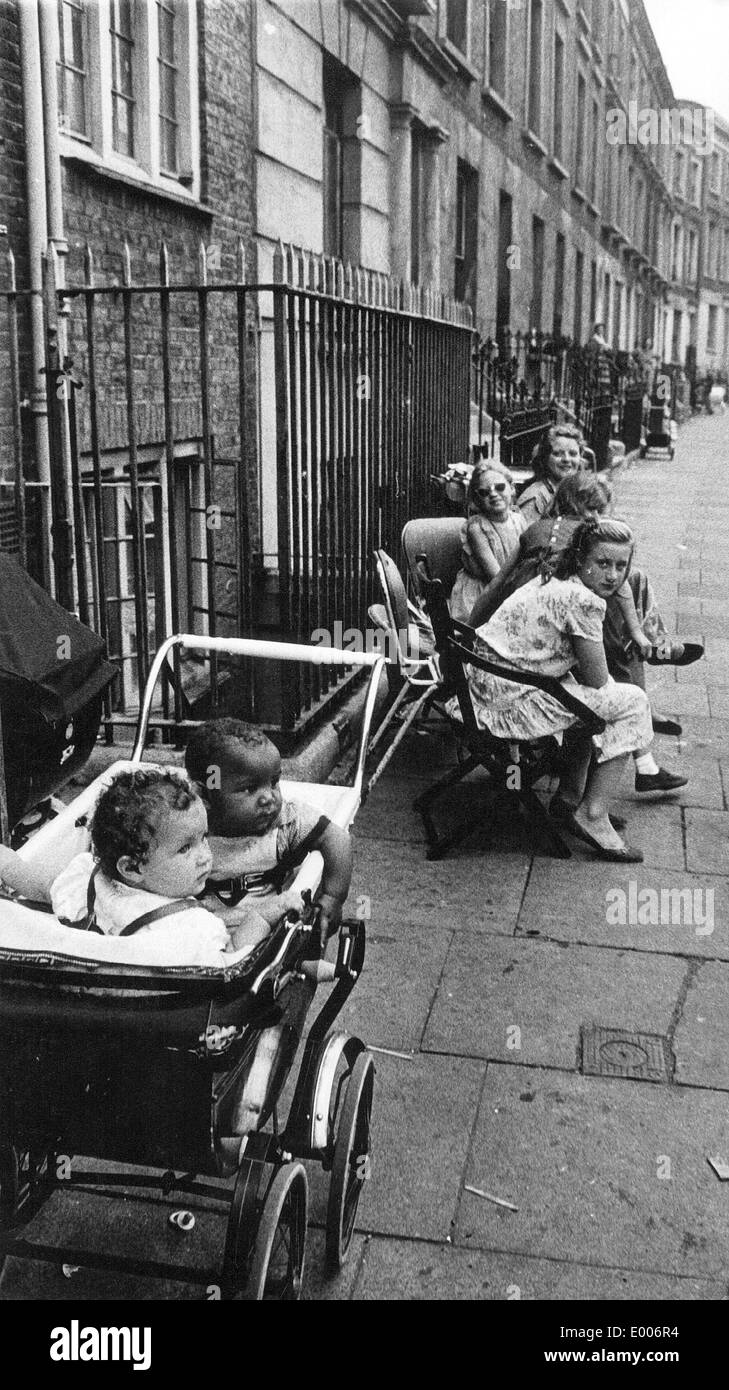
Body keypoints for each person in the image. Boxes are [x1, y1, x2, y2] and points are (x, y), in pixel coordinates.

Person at [471, 473, 700, 794]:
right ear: (588, 508)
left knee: (619, 634)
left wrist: (466, 634)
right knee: (617, 679)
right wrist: (636, 634)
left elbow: (497, 585)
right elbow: (618, 589)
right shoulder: (587, 541)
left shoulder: (536, 529)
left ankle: (573, 794)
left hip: (501, 657)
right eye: (600, 508)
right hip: (531, 668)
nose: (601, 515)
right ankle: (634, 765)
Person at [462, 519, 660, 862]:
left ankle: (570, 798)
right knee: (633, 703)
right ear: (582, 558)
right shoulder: (583, 600)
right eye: (603, 563)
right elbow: (598, 680)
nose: (613, 575)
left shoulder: (551, 573)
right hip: (508, 703)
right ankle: (592, 813)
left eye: (620, 565)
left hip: (483, 689)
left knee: (592, 700)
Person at [0, 768, 275, 964]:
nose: (204, 855)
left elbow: (34, 881)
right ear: (132, 868)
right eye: (185, 848)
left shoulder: (89, 883)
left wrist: (5, 861)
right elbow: (230, 966)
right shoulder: (193, 926)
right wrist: (260, 919)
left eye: (203, 838)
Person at [184, 718, 352, 940]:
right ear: (205, 794)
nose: (268, 798)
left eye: (274, 782)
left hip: (270, 933)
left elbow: (337, 838)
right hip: (202, 935)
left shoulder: (284, 824)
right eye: (249, 789)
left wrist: (332, 896)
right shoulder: (187, 827)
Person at [449, 461, 526, 623]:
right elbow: (495, 576)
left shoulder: (518, 520)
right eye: (484, 492)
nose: (493, 494)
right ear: (476, 499)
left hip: (510, 587)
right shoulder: (477, 528)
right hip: (484, 594)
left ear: (511, 489)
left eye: (499, 487)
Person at [517, 424, 584, 526]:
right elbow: (528, 538)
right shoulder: (535, 498)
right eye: (557, 454)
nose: (566, 459)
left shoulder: (576, 490)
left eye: (573, 454)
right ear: (545, 458)